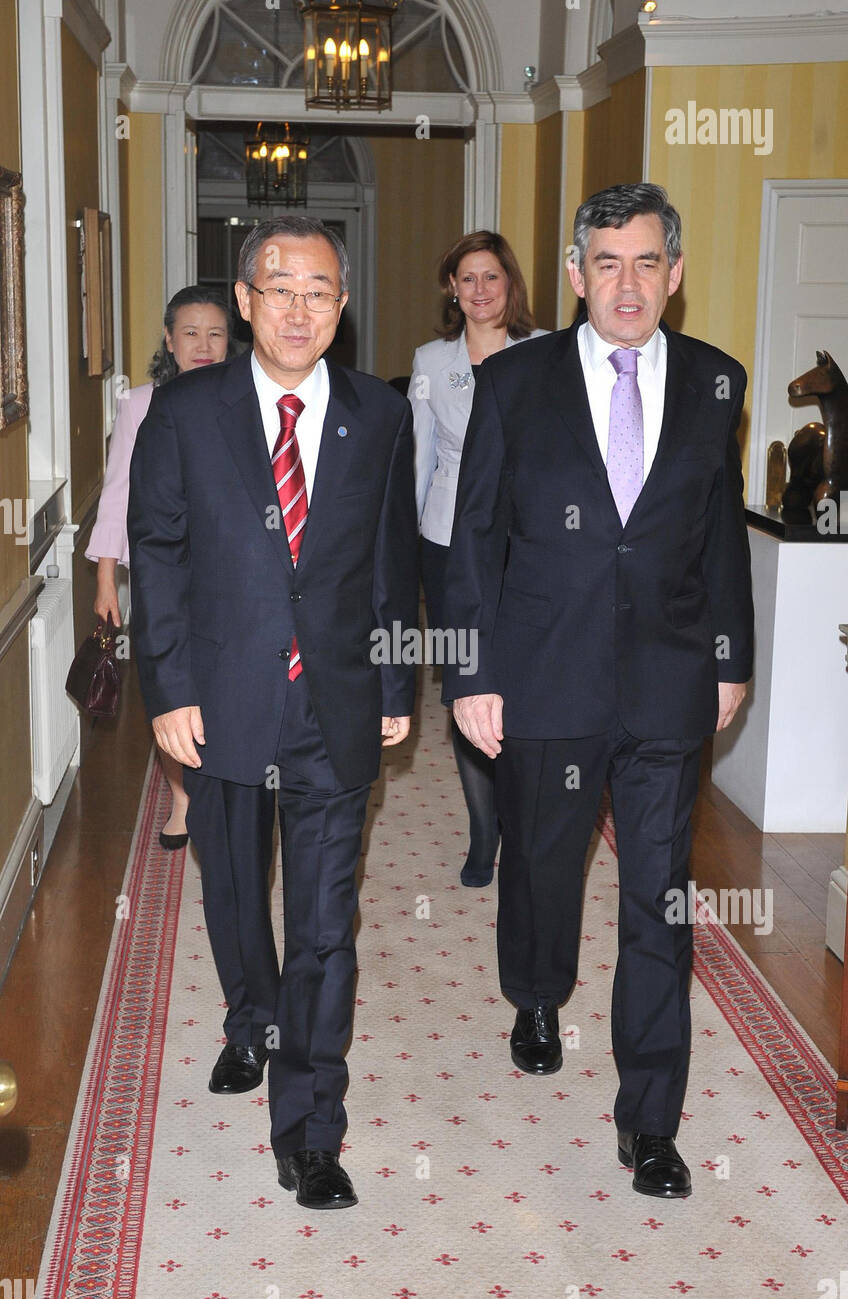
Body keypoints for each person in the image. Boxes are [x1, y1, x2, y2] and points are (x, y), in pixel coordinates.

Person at [442, 183, 754, 1200]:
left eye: (647, 262)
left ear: (673, 273)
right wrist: (472, 673)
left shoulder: (714, 381)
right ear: (575, 274)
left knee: (659, 901)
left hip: (666, 682)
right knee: (541, 860)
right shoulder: (514, 381)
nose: (628, 283)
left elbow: (720, 537)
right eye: (607, 263)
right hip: (543, 673)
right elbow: (472, 539)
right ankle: (534, 993)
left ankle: (649, 1120)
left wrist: (729, 656)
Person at [128, 214, 418, 1210]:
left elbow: (392, 562)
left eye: (320, 291)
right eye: (278, 288)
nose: (298, 310)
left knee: (326, 923)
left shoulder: (379, 413)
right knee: (236, 893)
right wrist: (168, 688)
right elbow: (157, 550)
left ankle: (309, 1127)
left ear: (342, 305)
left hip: (334, 702)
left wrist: (390, 683)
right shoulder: (187, 410)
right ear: (245, 299)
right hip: (219, 703)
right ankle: (248, 1015)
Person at [409, 232, 547, 886]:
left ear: (509, 284)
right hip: (448, 540)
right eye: (468, 278)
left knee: (526, 680)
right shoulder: (430, 363)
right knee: (468, 678)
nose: (481, 290)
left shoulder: (546, 353)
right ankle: (482, 827)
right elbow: (419, 458)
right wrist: (403, 549)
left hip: (532, 542)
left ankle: (523, 818)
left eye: (492, 277)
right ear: (451, 288)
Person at [86, 286, 235, 848]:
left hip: (231, 574)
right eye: (190, 333)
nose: (203, 344)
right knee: (171, 685)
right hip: (163, 574)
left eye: (215, 333)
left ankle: (230, 785)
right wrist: (107, 577)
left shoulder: (252, 401)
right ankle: (182, 799)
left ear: (230, 341)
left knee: (227, 685)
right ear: (170, 341)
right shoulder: (139, 406)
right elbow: (119, 493)